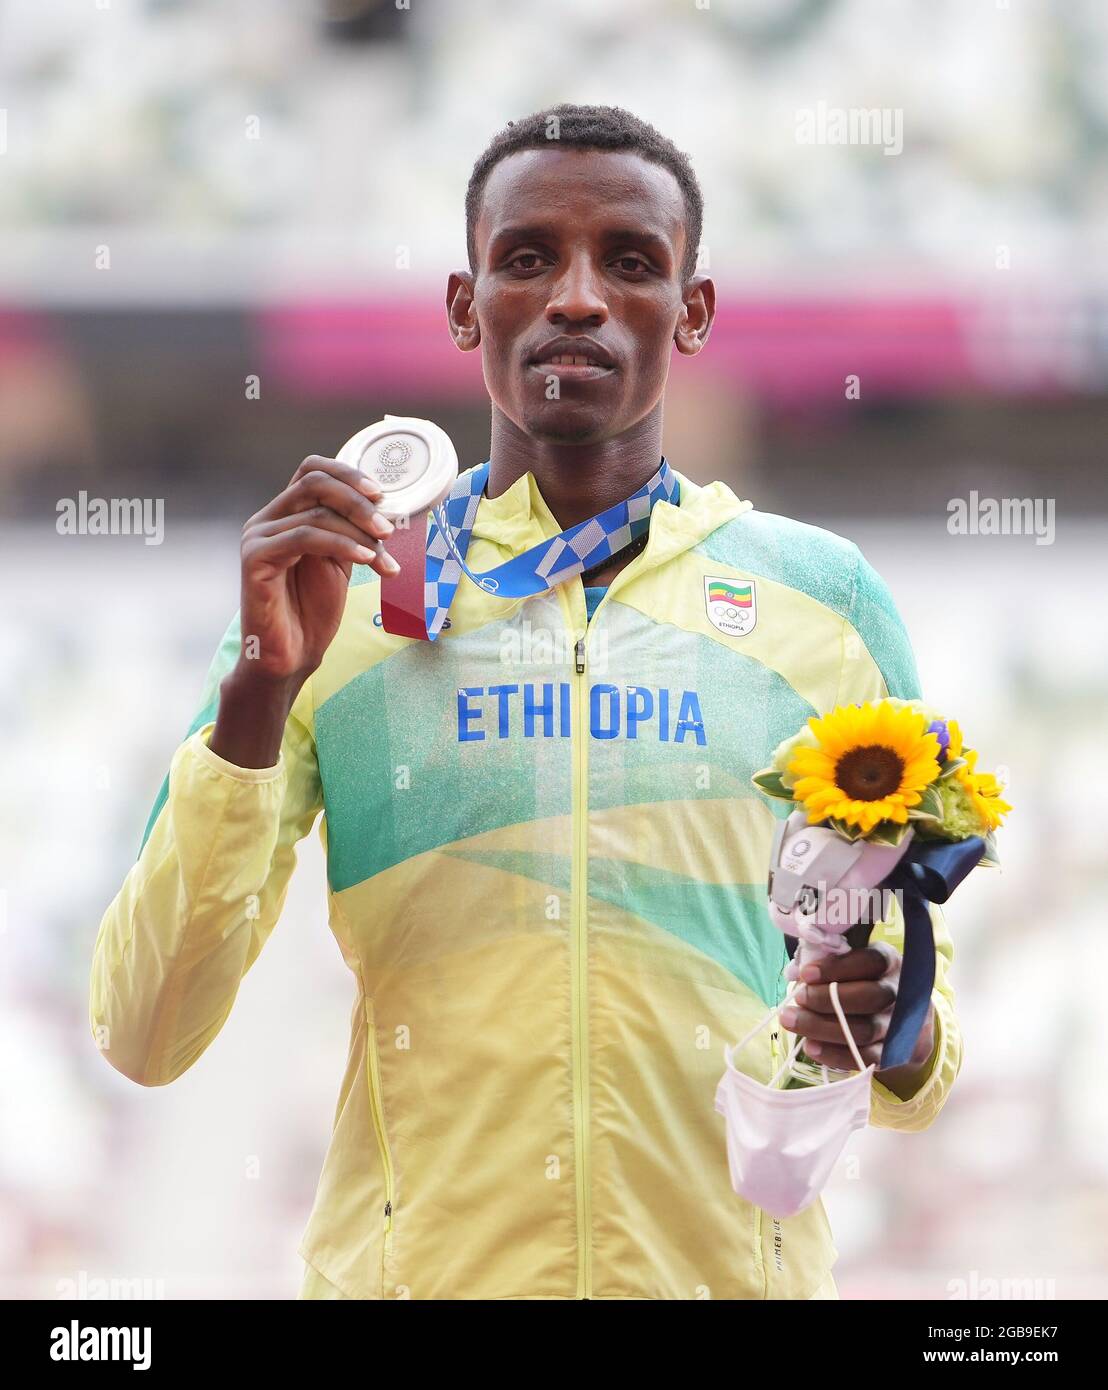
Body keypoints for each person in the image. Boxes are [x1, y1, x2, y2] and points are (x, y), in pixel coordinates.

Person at [89, 104, 962, 1301]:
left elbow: (915, 1040)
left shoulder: (826, 602)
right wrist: (254, 697)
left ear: (693, 311)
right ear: (466, 306)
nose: (578, 298)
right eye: (529, 258)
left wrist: (889, 1027)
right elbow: (142, 1032)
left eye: (632, 262)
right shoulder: (340, 596)